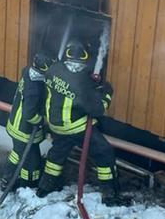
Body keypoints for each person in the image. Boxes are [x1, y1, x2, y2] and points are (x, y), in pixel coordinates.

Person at [36, 40, 116, 198]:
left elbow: (70, 79)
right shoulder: (83, 84)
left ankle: (45, 186)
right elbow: (98, 110)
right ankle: (109, 192)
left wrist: (89, 81)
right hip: (76, 127)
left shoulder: (54, 69)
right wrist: (106, 92)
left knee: (57, 154)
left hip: (55, 124)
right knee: (104, 151)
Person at [5, 53, 53, 188]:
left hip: (15, 124)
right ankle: (28, 185)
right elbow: (29, 114)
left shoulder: (28, 72)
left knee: (17, 153)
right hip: (24, 130)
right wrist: (41, 121)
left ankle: (7, 180)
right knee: (32, 163)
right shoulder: (34, 89)